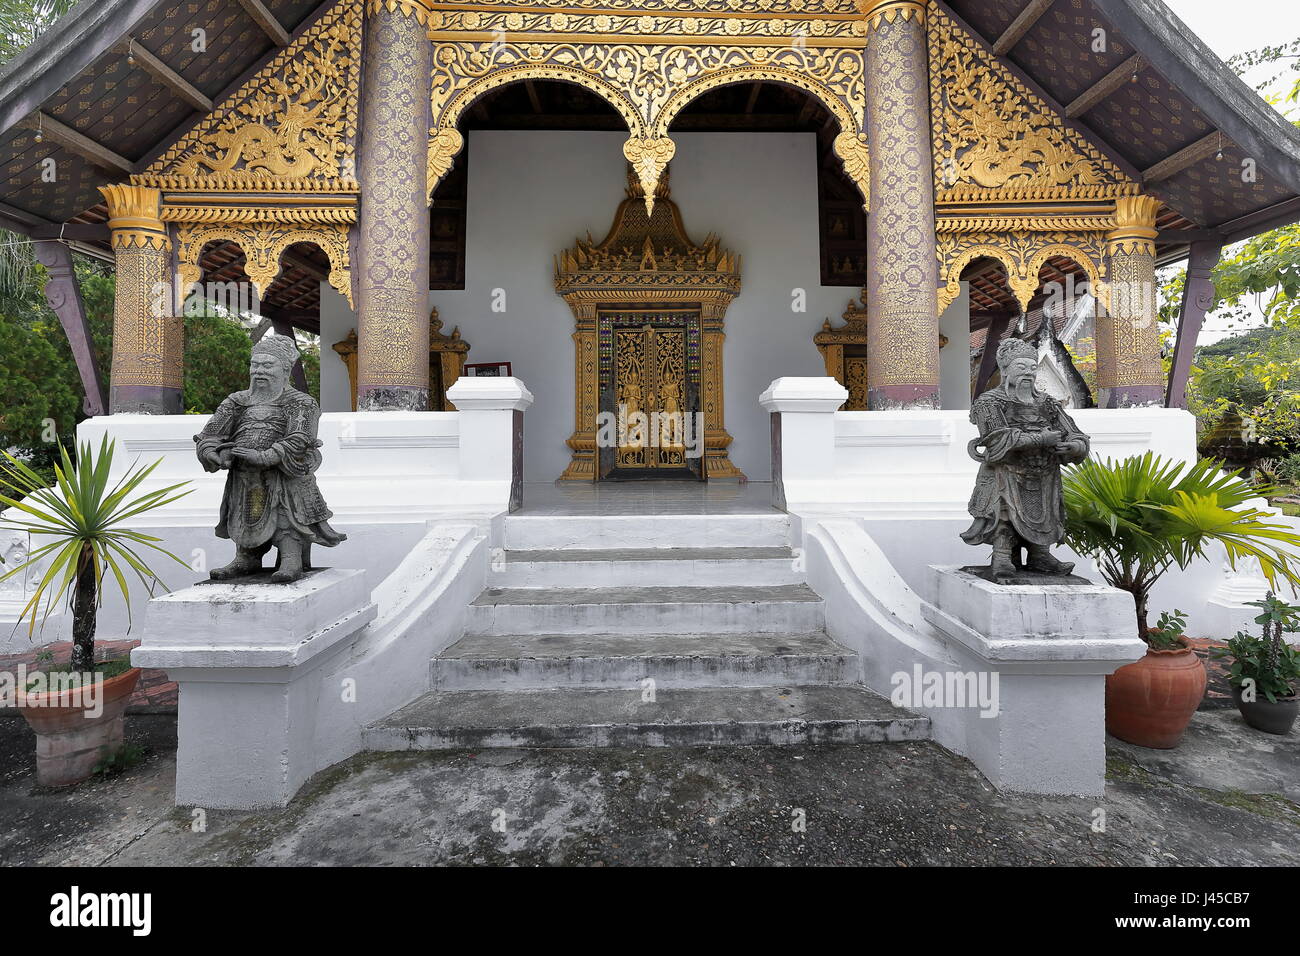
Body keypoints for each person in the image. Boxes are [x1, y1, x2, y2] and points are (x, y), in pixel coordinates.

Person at [194, 334, 345, 583]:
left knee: (286, 515)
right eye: (255, 365)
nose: (259, 371)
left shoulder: (300, 402)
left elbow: (301, 437)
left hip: (284, 473)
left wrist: (267, 456)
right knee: (243, 513)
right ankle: (246, 557)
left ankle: (291, 557)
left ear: (284, 369)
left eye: (267, 365)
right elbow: (211, 434)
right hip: (244, 475)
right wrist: (214, 453)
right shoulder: (237, 401)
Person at [961, 337, 1089, 579]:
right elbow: (996, 437)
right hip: (1006, 471)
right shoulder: (989, 402)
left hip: (1044, 472)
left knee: (1046, 511)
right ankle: (1002, 555)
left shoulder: (1047, 403)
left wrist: (1074, 446)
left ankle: (1040, 554)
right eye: (1021, 367)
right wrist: (1042, 440)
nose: (1028, 373)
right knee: (1004, 513)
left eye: (1032, 368)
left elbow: (1075, 432)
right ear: (1006, 369)